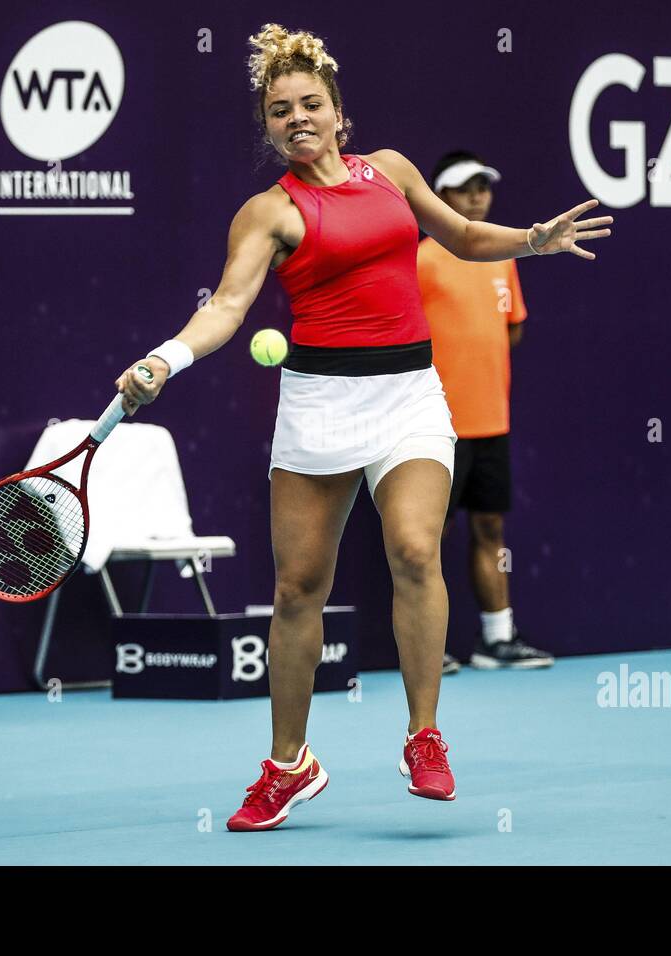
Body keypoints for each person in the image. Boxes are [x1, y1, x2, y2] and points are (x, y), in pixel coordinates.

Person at [114, 24, 612, 830]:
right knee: (296, 591)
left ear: (339, 113)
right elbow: (231, 308)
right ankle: (288, 765)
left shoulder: (393, 172)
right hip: (317, 405)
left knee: (417, 548)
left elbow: (459, 235)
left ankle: (424, 736)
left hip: (410, 397)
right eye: (281, 110)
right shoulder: (267, 213)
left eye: (311, 103)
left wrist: (534, 241)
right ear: (268, 127)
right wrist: (166, 358)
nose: (297, 117)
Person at [418, 151, 555, 673]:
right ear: (440, 197)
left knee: (490, 530)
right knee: (428, 538)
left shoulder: (502, 257)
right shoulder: (421, 259)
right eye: (464, 187)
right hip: (433, 426)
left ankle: (497, 639)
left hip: (491, 421)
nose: (477, 195)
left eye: (483, 186)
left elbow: (511, 327)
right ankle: (428, 645)